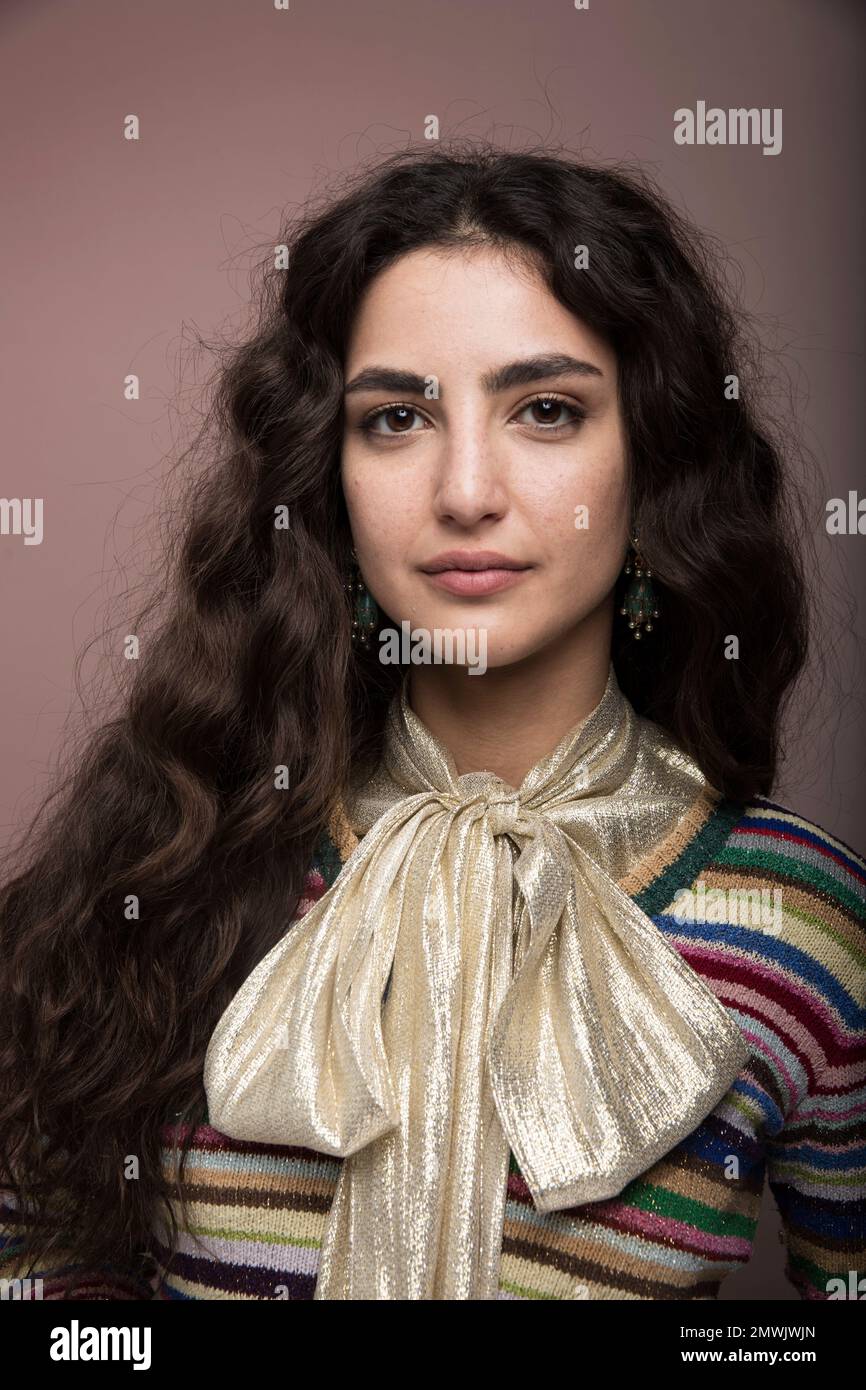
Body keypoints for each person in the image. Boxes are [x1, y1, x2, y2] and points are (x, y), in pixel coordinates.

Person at [1, 143, 864, 1301]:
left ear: (649, 466)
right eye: (396, 418)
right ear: (328, 479)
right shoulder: (176, 855)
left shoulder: (801, 921)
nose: (464, 489)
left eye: (545, 410)